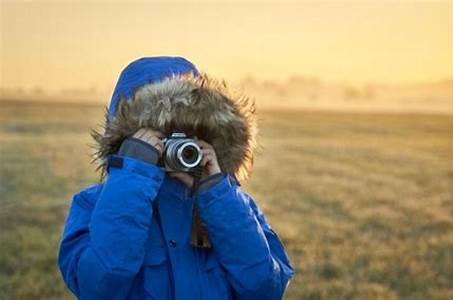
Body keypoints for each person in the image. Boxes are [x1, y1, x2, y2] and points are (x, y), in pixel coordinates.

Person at [57, 56, 295, 299]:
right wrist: (134, 175)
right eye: (159, 136)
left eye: (186, 135)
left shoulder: (232, 204)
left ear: (207, 135)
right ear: (126, 141)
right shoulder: (92, 205)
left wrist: (215, 191)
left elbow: (266, 288)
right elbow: (98, 287)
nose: (174, 146)